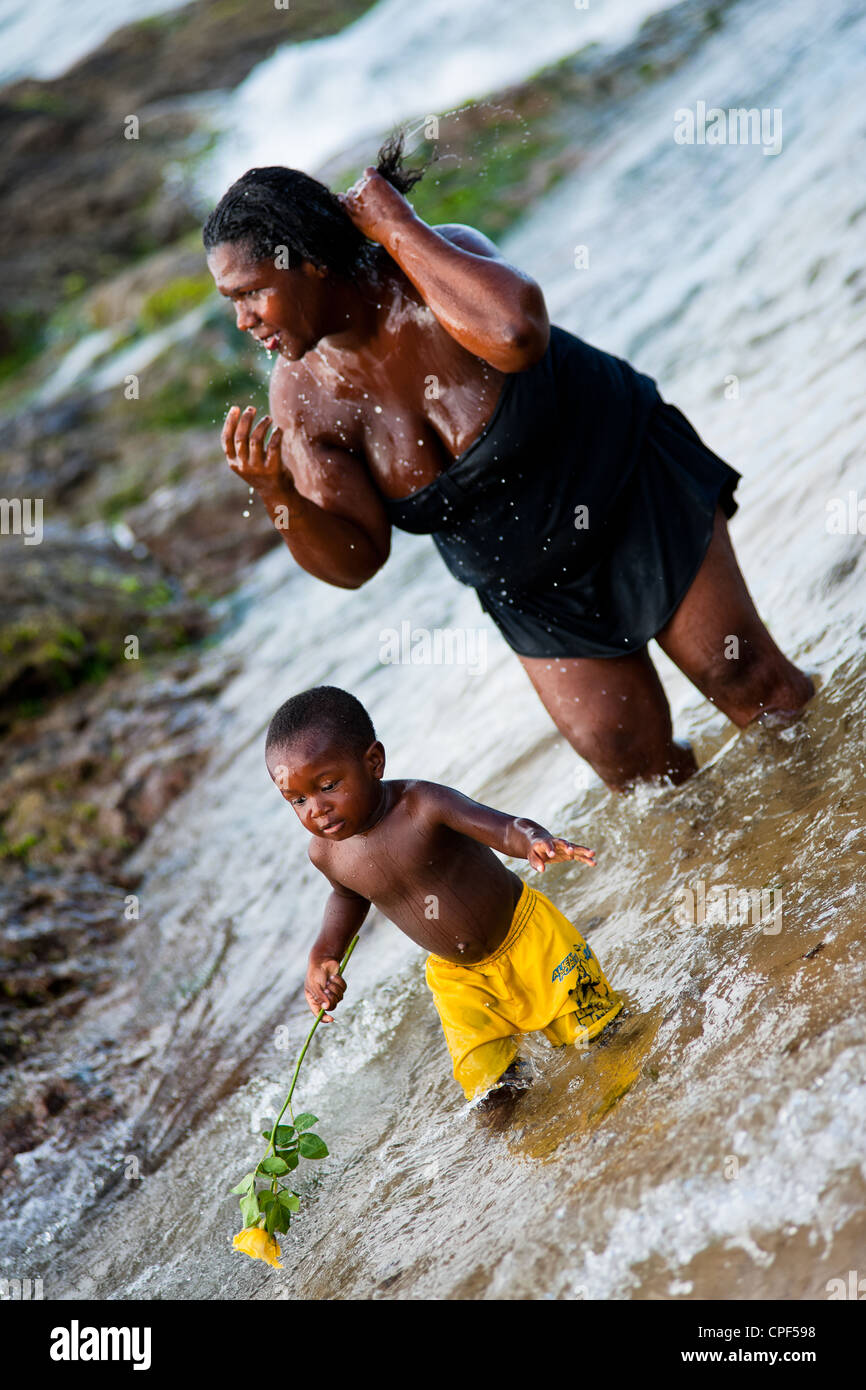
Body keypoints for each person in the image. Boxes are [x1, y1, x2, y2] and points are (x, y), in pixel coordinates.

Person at [204, 135, 814, 792]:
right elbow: (357, 561)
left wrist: (399, 226)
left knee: (751, 684)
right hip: (529, 587)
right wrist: (280, 498)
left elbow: (518, 336)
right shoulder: (301, 398)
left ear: (311, 262)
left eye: (251, 293)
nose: (242, 320)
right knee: (639, 774)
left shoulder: (439, 264)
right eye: (230, 302)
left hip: (628, 486)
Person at [265, 685, 623, 1108]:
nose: (316, 809)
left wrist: (534, 840)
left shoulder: (421, 804)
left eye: (328, 785)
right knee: (495, 1098)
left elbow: (500, 826)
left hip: (531, 943)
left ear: (373, 762)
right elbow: (347, 898)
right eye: (299, 799)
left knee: (609, 1045)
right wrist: (323, 955)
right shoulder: (326, 854)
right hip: (459, 981)